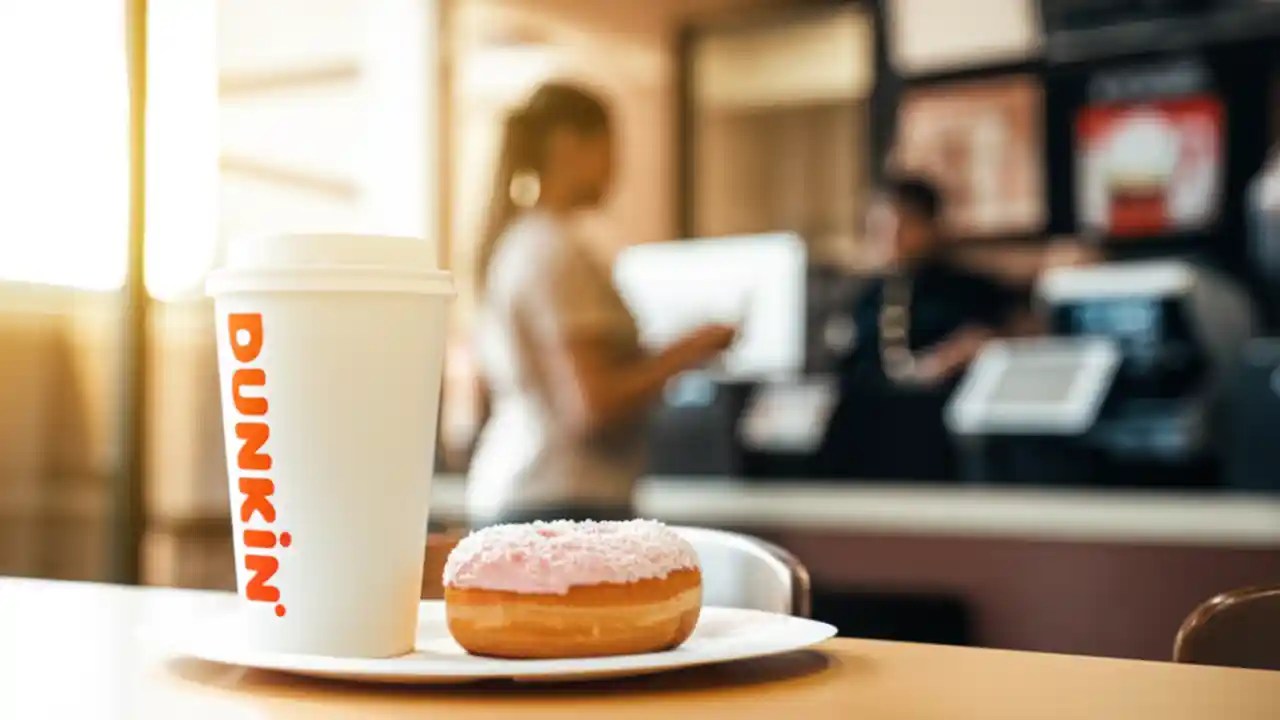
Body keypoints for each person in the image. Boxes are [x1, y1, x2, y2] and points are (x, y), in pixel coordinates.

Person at [468, 82, 735, 526]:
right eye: (611, 147)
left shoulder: (520, 244)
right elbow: (590, 404)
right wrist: (691, 350)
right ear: (572, 144)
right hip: (559, 497)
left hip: (527, 488)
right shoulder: (556, 253)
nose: (618, 167)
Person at [817, 176, 1025, 480]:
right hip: (872, 427)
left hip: (940, 425)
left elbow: (1009, 338)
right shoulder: (865, 297)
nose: (890, 239)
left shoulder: (970, 290)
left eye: (902, 226)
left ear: (931, 225)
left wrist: (963, 352)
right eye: (879, 229)